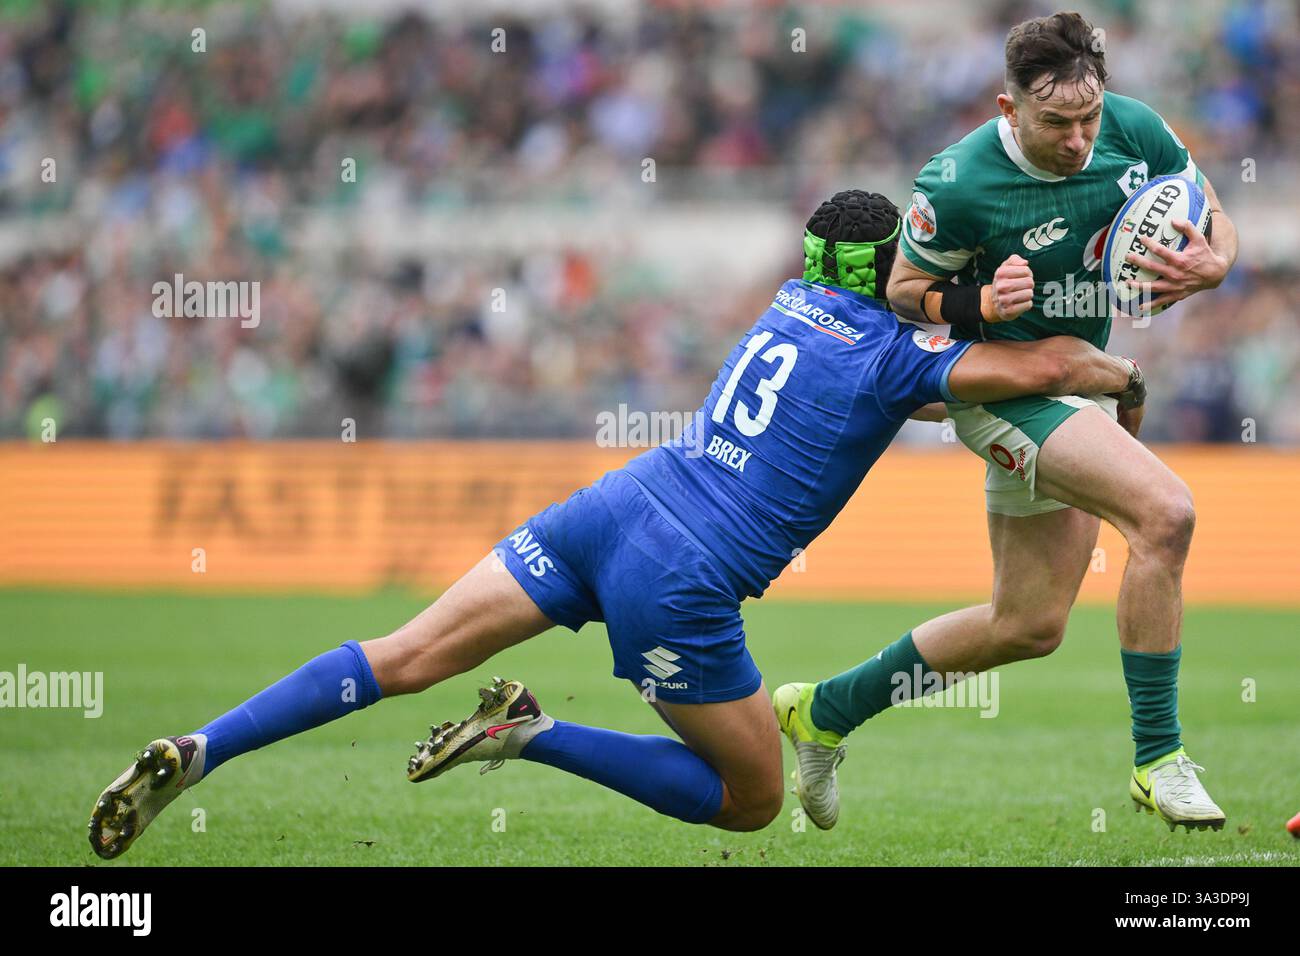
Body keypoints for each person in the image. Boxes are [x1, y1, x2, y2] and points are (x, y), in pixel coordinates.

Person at [88, 189, 1144, 858]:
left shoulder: (787, 300)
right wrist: (1111, 364)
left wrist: (949, 315)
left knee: (403, 651)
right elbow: (1038, 369)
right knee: (749, 802)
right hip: (680, 579)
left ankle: (205, 745)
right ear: (888, 276)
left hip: (614, 504)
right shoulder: (890, 353)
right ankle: (532, 732)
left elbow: (887, 371)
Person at [774, 12, 1237, 834]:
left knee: (1026, 626)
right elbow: (904, 294)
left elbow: (1209, 208)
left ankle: (822, 711)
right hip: (998, 390)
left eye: (1088, 117)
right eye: (1057, 123)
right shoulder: (957, 182)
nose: (1078, 139)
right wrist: (980, 301)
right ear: (1007, 108)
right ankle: (1159, 760)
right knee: (1166, 515)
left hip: (1075, 388)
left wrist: (1217, 259)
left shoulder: (1132, 127)